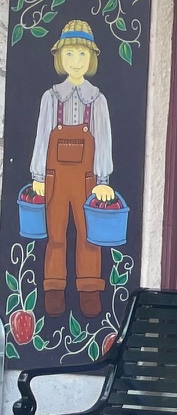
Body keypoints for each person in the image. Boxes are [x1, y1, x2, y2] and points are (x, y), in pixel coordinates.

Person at [30, 19, 117, 319]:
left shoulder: (98, 100)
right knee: (55, 234)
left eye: (81, 54)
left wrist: (103, 179)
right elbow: (42, 138)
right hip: (54, 178)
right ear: (59, 58)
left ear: (91, 58)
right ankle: (53, 288)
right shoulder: (50, 97)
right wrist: (38, 176)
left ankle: (89, 289)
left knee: (88, 234)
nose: (76, 61)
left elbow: (103, 141)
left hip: (87, 180)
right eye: (69, 54)